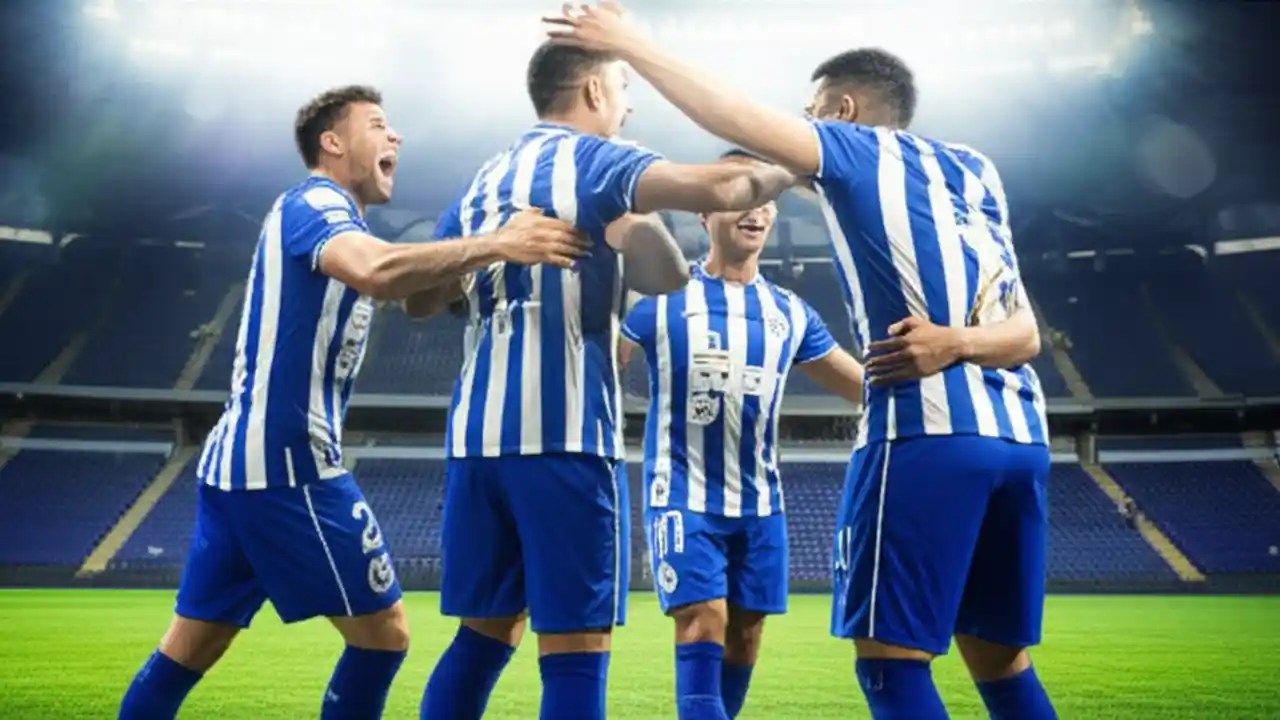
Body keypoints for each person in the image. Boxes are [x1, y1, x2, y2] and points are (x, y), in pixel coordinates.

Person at [545, 7, 1055, 719]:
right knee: (1000, 659)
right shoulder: (975, 172)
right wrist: (961, 342)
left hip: (927, 436)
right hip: (1021, 442)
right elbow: (1026, 332)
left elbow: (736, 119)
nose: (803, 130)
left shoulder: (854, 153)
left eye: (811, 115)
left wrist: (629, 45)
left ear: (842, 112)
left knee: (890, 668)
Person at [118, 84, 587, 720]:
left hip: (238, 466)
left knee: (192, 644)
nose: (395, 138)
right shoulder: (315, 201)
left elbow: (410, 290)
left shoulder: (334, 218)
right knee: (385, 634)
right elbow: (378, 272)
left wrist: (477, 254)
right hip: (288, 465)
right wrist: (501, 242)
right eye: (378, 126)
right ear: (332, 143)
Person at [418, 42, 796, 720]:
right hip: (564, 439)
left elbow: (420, 300)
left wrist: (626, 233)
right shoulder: (595, 159)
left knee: (483, 633)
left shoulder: (485, 180)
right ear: (594, 90)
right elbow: (718, 194)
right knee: (577, 645)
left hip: (476, 442)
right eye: (623, 88)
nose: (628, 104)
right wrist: (794, 161)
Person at [619, 150, 864, 719]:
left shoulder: (790, 312)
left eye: (766, 200)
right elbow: (603, 367)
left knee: (746, 636)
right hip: (681, 495)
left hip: (761, 503)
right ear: (706, 211)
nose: (756, 211)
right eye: (740, 196)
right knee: (705, 618)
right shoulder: (658, 300)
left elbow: (861, 386)